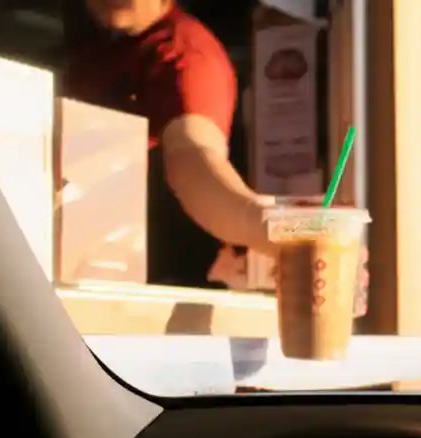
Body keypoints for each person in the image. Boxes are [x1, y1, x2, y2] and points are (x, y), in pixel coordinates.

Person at [65, 0, 276, 288]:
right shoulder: (98, 48)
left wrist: (268, 227)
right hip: (77, 269)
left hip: (149, 288)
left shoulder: (186, 54)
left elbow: (195, 157)